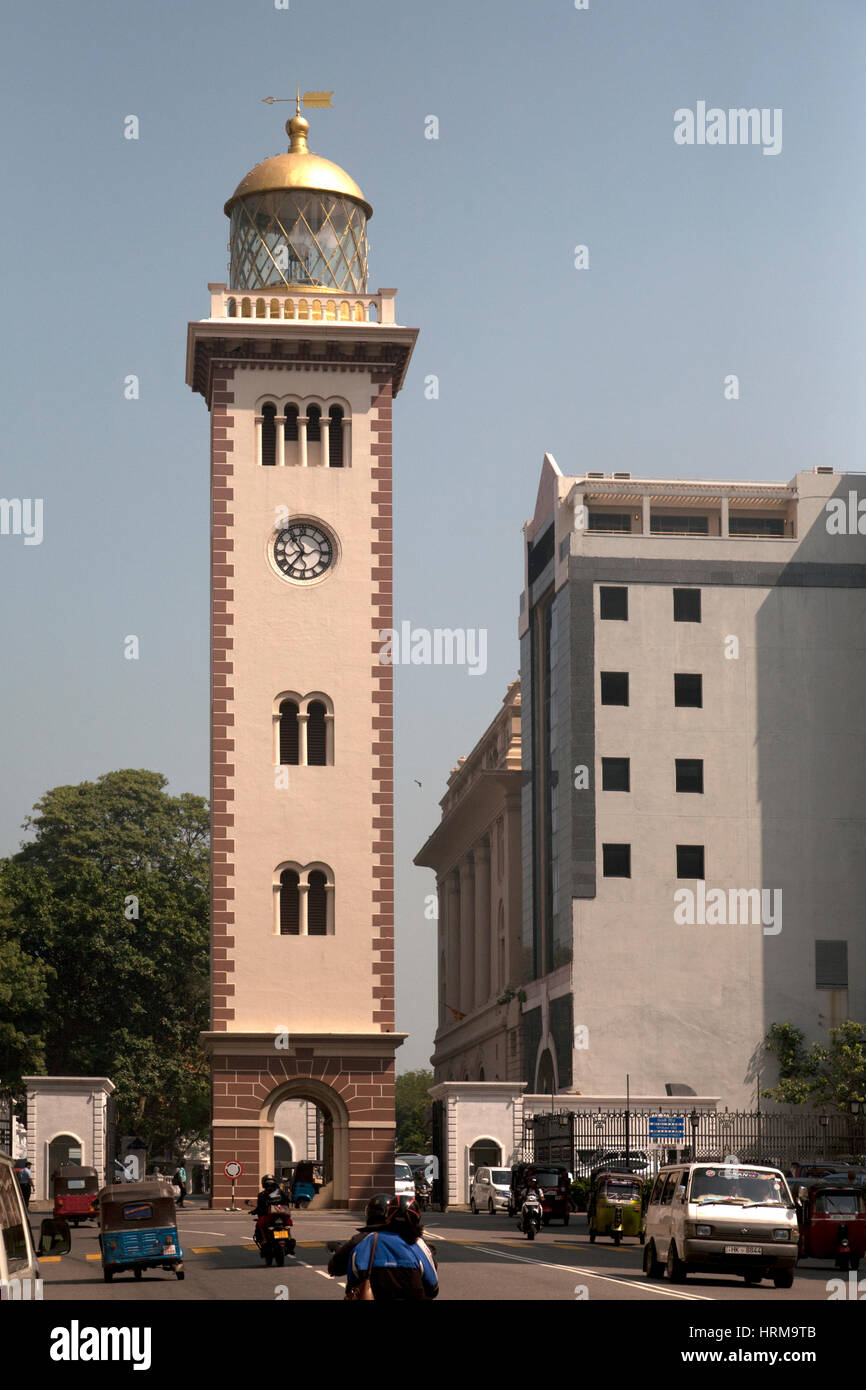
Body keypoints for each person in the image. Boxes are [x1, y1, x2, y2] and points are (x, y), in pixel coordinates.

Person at [345, 1195, 438, 1301]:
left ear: (387, 1215)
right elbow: (433, 1288)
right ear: (416, 1219)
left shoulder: (368, 1241)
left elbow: (352, 1282)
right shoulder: (419, 1245)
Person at [327, 1193, 390, 1278]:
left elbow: (335, 1268)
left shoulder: (359, 1240)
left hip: (368, 1289)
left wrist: (339, 1250)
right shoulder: (407, 1240)